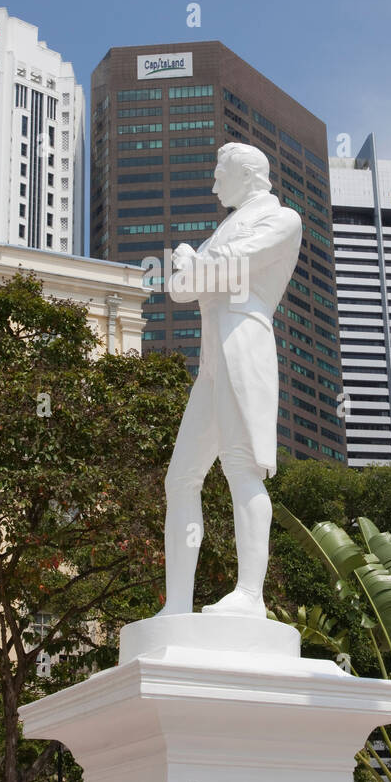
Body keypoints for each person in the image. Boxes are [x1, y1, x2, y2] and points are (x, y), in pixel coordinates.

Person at [160, 141, 302, 617]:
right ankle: (177, 604)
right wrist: (195, 269)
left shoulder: (282, 220)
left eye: (220, 173)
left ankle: (250, 595)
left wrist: (194, 264)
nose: (214, 182)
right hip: (212, 363)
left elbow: (224, 270)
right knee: (181, 479)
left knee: (241, 468)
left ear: (247, 174)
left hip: (245, 346)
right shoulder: (220, 231)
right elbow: (180, 290)